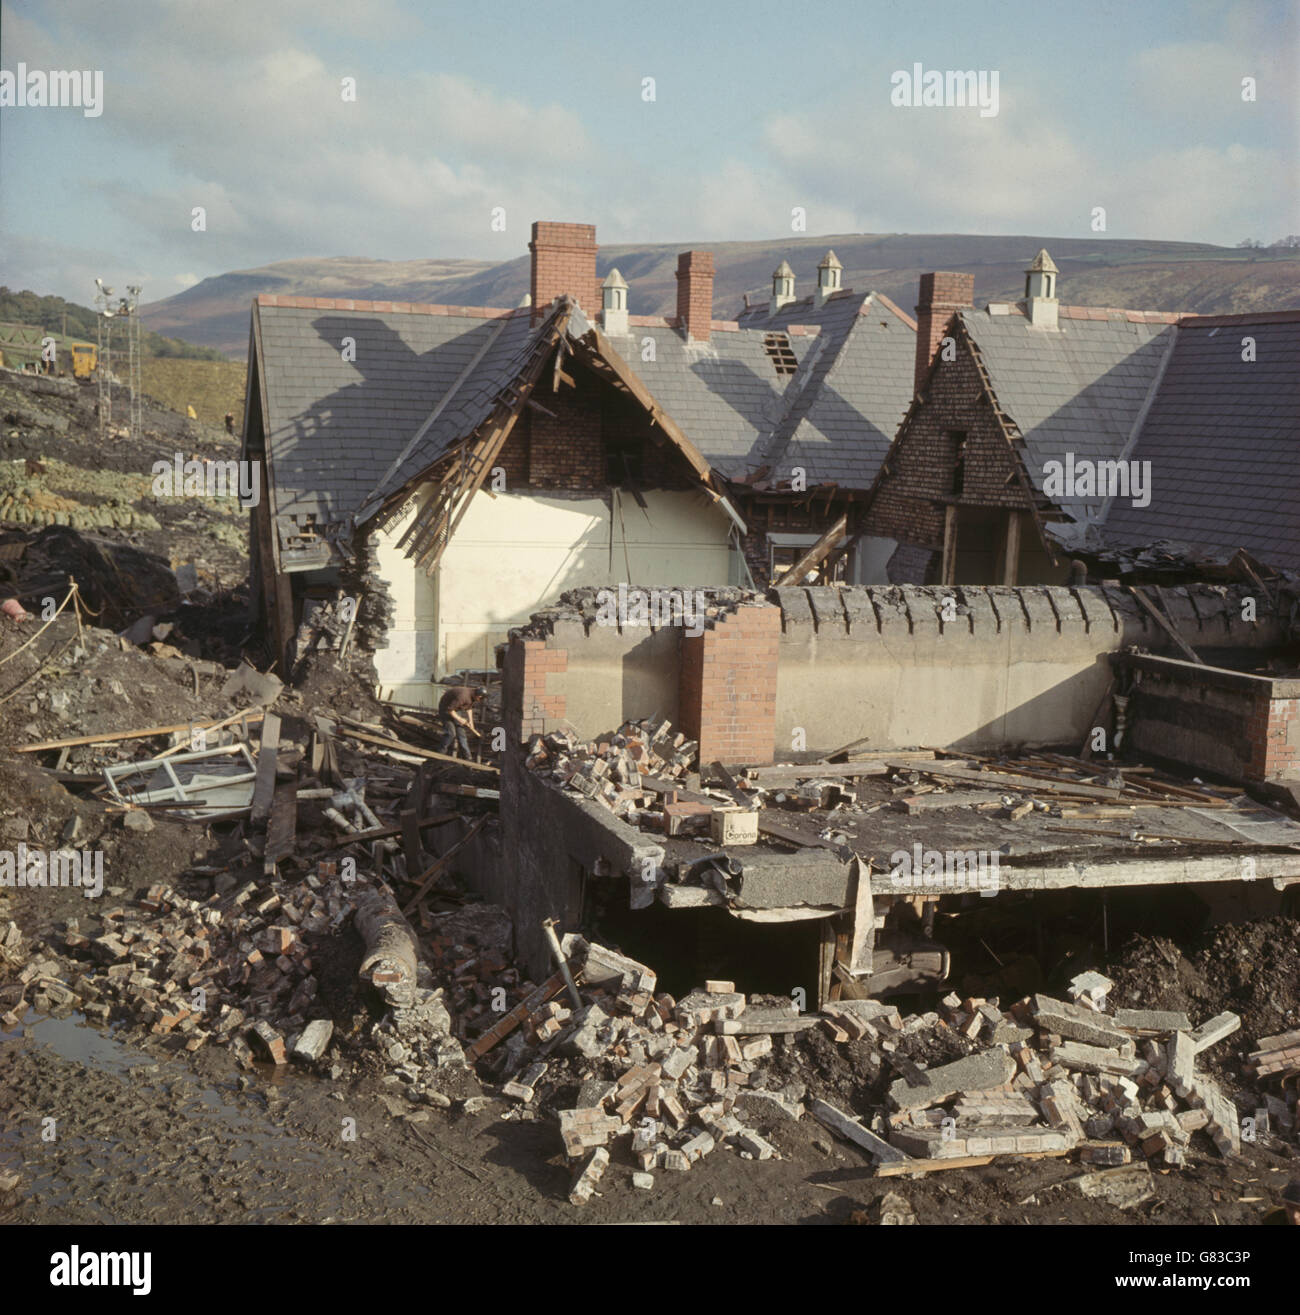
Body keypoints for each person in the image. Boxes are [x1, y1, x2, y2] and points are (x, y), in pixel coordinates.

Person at [436, 684, 485, 759]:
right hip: (445, 709)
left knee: (462, 735)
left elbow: (469, 708)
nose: (480, 701)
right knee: (451, 734)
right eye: (480, 699)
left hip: (455, 709)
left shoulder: (473, 695)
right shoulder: (463, 696)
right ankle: (439, 755)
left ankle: (468, 758)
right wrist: (460, 719)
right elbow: (450, 710)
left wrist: (471, 722)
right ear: (479, 696)